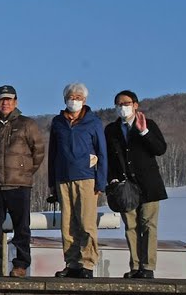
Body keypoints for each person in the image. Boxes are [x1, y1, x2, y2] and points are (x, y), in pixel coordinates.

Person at [0, 84, 46, 278]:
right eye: (1, 99)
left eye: (9, 99)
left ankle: (20, 265)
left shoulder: (27, 124)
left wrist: (26, 171)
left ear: (15, 102)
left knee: (21, 228)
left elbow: (38, 151)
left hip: (19, 185)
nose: (5, 103)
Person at [104, 90, 169, 279]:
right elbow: (106, 158)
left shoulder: (149, 124)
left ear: (135, 105)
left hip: (149, 185)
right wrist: (112, 179)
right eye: (118, 104)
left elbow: (160, 149)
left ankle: (147, 267)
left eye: (126, 103)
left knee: (148, 225)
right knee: (131, 227)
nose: (122, 107)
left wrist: (144, 132)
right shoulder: (111, 130)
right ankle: (135, 266)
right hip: (124, 188)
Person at [47, 82, 108, 279]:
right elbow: (53, 153)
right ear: (65, 99)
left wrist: (101, 181)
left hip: (86, 177)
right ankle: (71, 262)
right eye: (71, 97)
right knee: (67, 224)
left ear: (85, 100)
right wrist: (51, 182)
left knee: (86, 223)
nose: (74, 100)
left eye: (78, 98)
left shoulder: (94, 122)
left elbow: (102, 153)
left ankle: (88, 263)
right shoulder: (57, 122)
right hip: (63, 178)